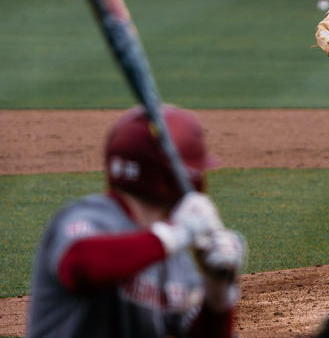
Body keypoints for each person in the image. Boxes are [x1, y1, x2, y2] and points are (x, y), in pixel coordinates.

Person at [27, 104, 246, 337]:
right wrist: (178, 233)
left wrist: (218, 292)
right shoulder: (89, 217)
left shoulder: (173, 259)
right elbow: (81, 266)